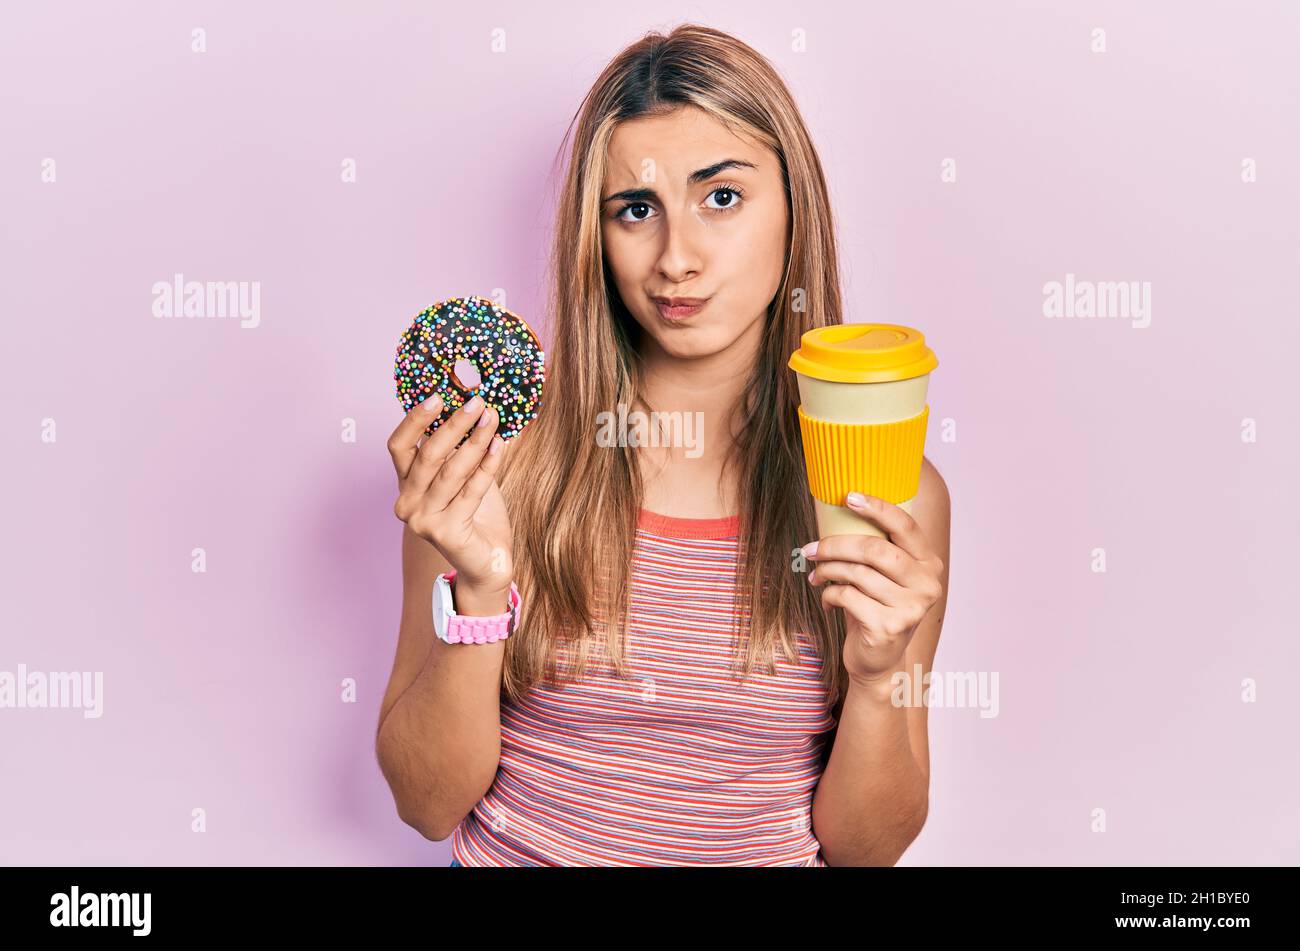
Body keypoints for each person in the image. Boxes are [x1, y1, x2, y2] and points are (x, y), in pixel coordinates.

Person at [376, 23, 950, 867]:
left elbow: (867, 851)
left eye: (722, 198)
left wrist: (877, 676)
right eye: (636, 210)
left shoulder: (888, 491)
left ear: (796, 208)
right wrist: (481, 591)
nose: (676, 258)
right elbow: (426, 804)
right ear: (596, 238)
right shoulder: (499, 466)